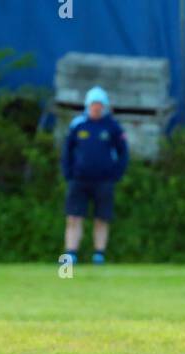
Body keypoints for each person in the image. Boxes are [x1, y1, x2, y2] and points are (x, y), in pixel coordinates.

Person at [61, 86, 128, 265]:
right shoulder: (78, 125)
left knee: (102, 218)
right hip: (79, 179)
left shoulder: (112, 127)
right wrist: (68, 173)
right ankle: (70, 254)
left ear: (104, 106)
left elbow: (123, 152)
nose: (96, 108)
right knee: (74, 217)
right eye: (93, 105)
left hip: (104, 181)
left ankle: (99, 254)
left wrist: (116, 173)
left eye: (99, 105)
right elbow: (67, 151)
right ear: (87, 106)